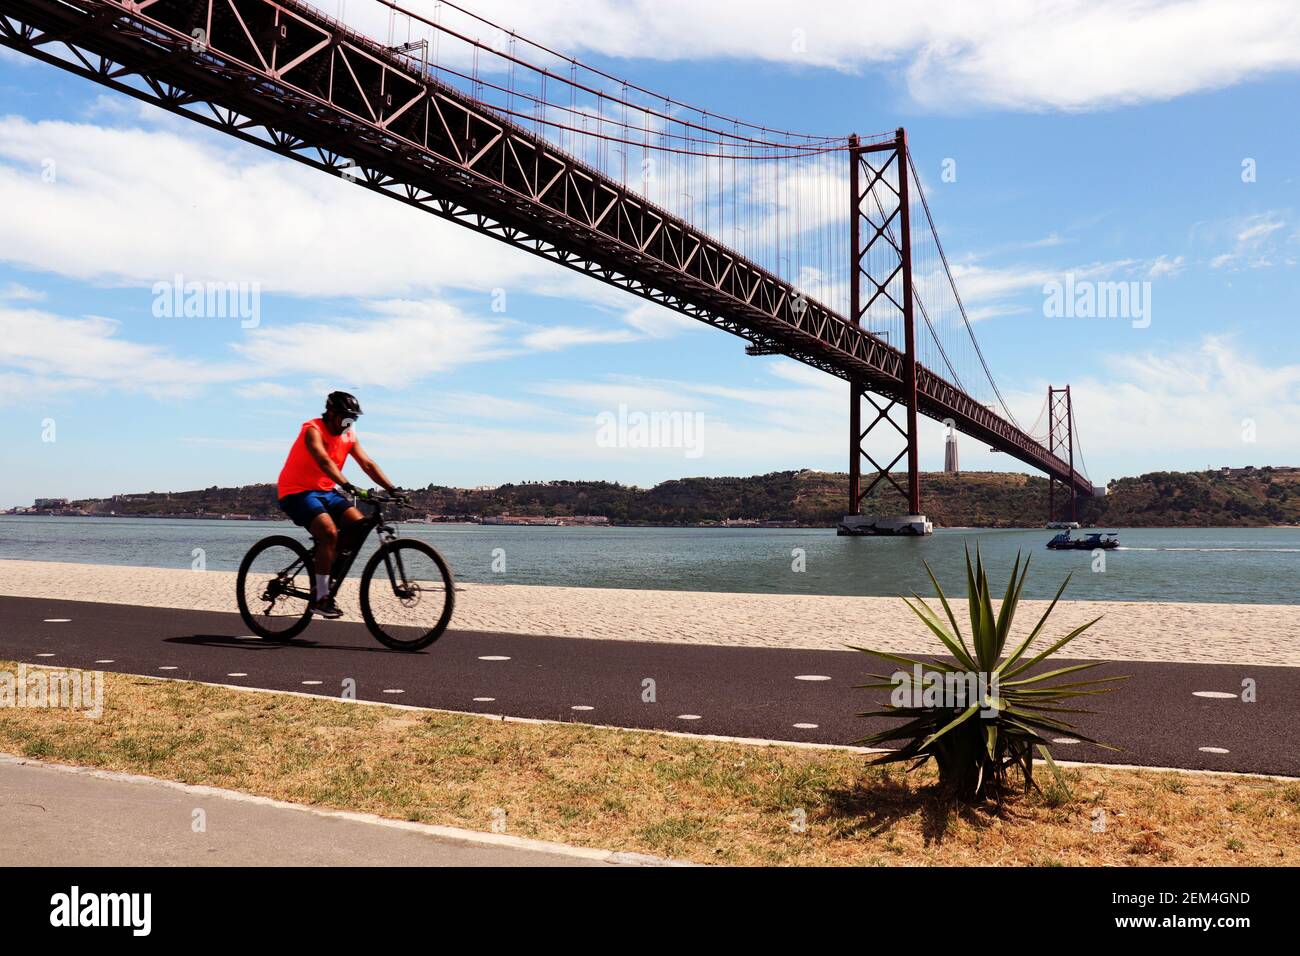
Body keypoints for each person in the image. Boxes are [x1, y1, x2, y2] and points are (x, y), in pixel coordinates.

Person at [276, 391, 398, 618]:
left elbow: (368, 464)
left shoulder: (349, 436)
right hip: (296, 492)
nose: (348, 424)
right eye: (345, 418)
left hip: (326, 491)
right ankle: (321, 598)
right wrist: (348, 485)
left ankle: (326, 567)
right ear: (331, 413)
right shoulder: (312, 429)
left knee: (359, 526)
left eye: (353, 420)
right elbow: (323, 459)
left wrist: (393, 489)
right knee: (329, 532)